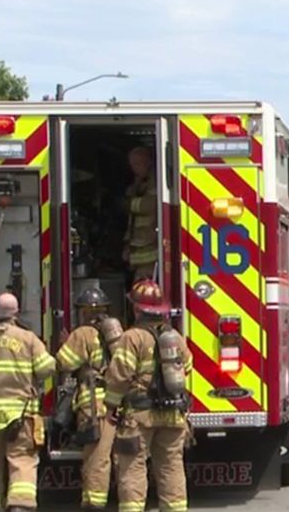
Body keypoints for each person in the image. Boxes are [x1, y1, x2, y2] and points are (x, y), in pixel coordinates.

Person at [105, 279, 193, 512]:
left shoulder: (132, 337)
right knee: (171, 466)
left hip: (140, 415)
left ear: (136, 308)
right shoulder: (173, 336)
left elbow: (120, 374)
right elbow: (188, 365)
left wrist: (111, 406)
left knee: (132, 468)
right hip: (173, 414)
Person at [0, 293, 55, 512]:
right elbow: (47, 368)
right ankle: (20, 506)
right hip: (20, 414)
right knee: (22, 459)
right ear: (16, 312)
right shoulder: (28, 338)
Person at [56, 286, 121, 511]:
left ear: (83, 312)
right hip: (115, 403)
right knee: (107, 456)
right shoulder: (115, 334)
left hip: (94, 406)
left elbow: (64, 363)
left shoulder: (83, 334)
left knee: (95, 458)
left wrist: (66, 343)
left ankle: (94, 503)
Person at [122, 146, 158, 284]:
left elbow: (148, 205)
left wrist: (127, 203)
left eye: (137, 164)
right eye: (132, 165)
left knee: (144, 286)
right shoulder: (140, 182)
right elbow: (132, 223)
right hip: (140, 248)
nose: (134, 168)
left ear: (148, 162)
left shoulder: (154, 182)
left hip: (150, 248)